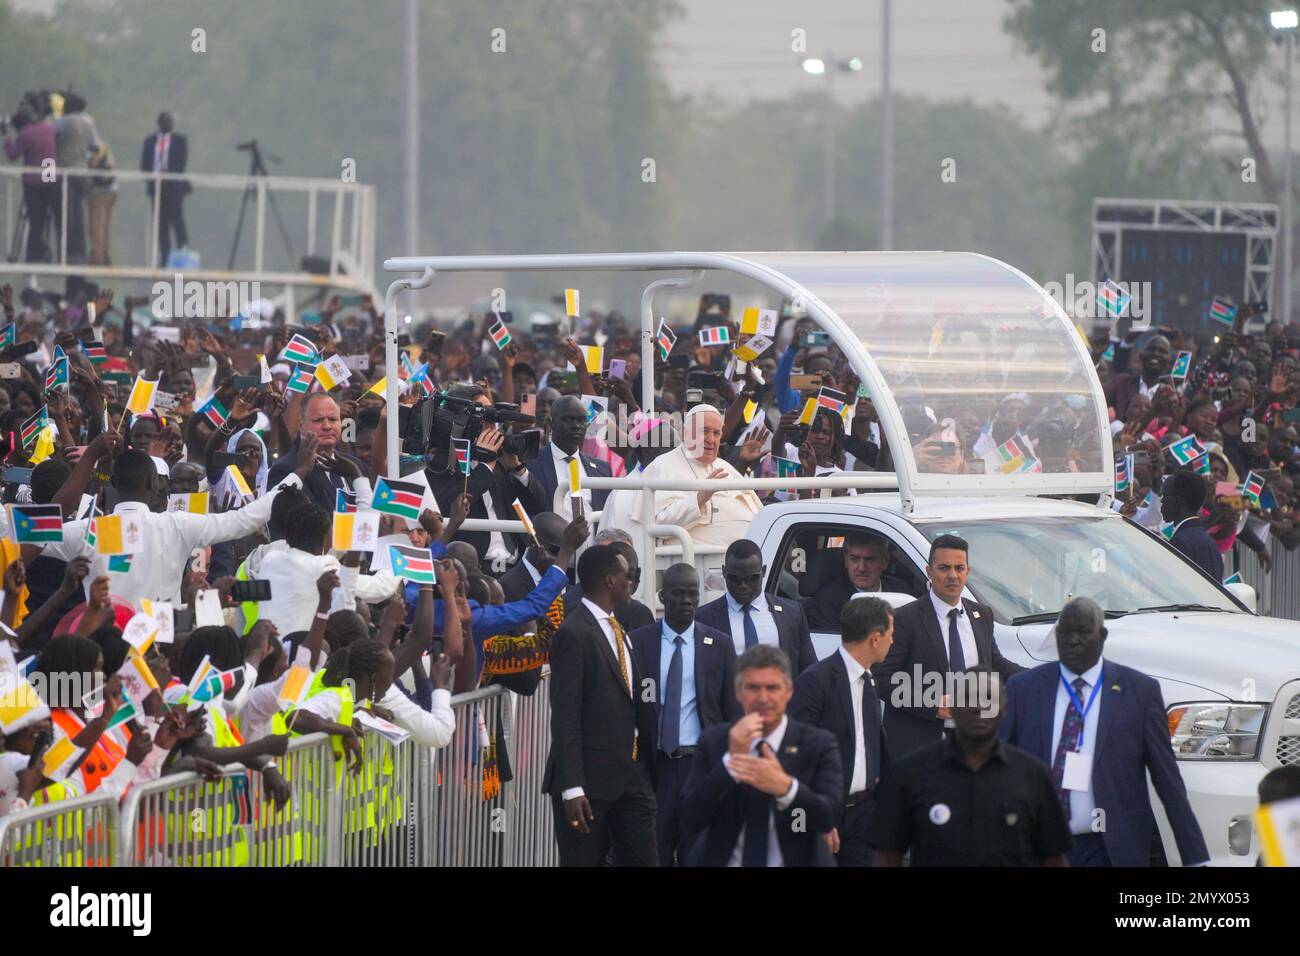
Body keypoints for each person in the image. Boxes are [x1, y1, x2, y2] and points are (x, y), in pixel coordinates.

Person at [1000, 597, 1210, 867]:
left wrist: (1195, 858)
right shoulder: (1024, 689)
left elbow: (1167, 779)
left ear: (1103, 635)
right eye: (1066, 633)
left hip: (1109, 847)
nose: (1073, 640)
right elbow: (1000, 768)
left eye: (1084, 632)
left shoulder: (1140, 693)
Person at [42, 448, 303, 604]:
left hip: (103, 653)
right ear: (153, 483)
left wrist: (90, 456)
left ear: (112, 485)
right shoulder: (176, 526)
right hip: (162, 652)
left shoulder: (86, 532)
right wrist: (296, 476)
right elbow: (241, 520)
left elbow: (21, 530)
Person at [868, 682, 1070, 866]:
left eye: (988, 700)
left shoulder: (1034, 776)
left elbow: (1054, 858)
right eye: (968, 699)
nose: (978, 708)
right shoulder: (910, 774)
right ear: (952, 708)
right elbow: (888, 857)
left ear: (1004, 710)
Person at [543, 544, 659, 866]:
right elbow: (565, 715)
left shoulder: (617, 627)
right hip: (587, 785)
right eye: (627, 575)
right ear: (609, 580)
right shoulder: (574, 632)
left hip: (630, 778)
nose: (631, 582)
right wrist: (572, 788)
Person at [679, 644, 842, 866]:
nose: (763, 698)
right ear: (738, 692)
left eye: (772, 688)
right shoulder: (714, 741)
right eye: (753, 688)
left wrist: (786, 787)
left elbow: (829, 816)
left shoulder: (817, 744)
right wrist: (730, 764)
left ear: (789, 691)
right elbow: (690, 818)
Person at [628, 563, 739, 866]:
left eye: (693, 594)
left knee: (699, 854)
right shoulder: (637, 643)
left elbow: (732, 713)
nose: (687, 601)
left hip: (699, 766)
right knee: (654, 851)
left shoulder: (719, 645)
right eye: (678, 594)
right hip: (655, 767)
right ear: (663, 597)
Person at [874, 533, 1023, 759]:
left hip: (973, 740)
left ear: (968, 572)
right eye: (944, 568)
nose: (953, 575)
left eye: (959, 568)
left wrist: (1044, 676)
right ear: (929, 571)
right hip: (920, 745)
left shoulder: (981, 614)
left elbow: (995, 664)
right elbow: (882, 679)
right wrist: (932, 704)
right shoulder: (904, 619)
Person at [790, 596, 893, 867]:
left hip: (865, 816)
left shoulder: (869, 681)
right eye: (890, 634)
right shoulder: (814, 682)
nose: (893, 641)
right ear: (875, 638)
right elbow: (798, 756)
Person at [631, 404, 761, 549]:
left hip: (749, 561)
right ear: (686, 432)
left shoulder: (726, 467)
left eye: (716, 433)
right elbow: (657, 526)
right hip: (701, 564)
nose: (711, 440)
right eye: (704, 431)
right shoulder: (662, 466)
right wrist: (699, 499)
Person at [694, 539, 816, 675]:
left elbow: (810, 672)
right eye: (735, 578)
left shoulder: (792, 613)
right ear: (724, 572)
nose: (743, 585)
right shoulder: (703, 618)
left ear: (763, 571)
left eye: (752, 578)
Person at [266, 395, 371, 513]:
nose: (327, 426)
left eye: (333, 419)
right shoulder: (286, 469)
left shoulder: (356, 466)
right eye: (318, 420)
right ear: (301, 425)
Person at [526, 395, 612, 519]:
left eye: (581, 420)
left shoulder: (602, 470)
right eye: (567, 419)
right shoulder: (531, 464)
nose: (576, 426)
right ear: (551, 423)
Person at [805, 532, 912, 631]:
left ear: (885, 561)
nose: (861, 568)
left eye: (870, 559)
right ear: (846, 561)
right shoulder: (827, 602)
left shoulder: (901, 591)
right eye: (854, 559)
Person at [3, 107, 59, 262]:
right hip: (50, 179)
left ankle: (33, 254)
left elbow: (12, 155)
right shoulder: (49, 129)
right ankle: (45, 251)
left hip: (33, 183)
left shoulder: (26, 133)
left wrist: (6, 138)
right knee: (46, 219)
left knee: (35, 220)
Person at [140, 111, 189, 265]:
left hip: (173, 187)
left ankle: (183, 250)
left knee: (177, 219)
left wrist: (168, 175)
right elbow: (144, 164)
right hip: (156, 187)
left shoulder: (180, 141)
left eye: (170, 122)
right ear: (159, 123)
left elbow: (181, 163)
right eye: (165, 121)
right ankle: (165, 256)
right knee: (161, 224)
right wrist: (153, 178)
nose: (168, 124)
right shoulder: (149, 141)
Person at [1161, 469, 1224, 581]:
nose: (1161, 501)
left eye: (1165, 495)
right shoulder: (1210, 543)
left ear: (1178, 500)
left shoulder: (1180, 543)